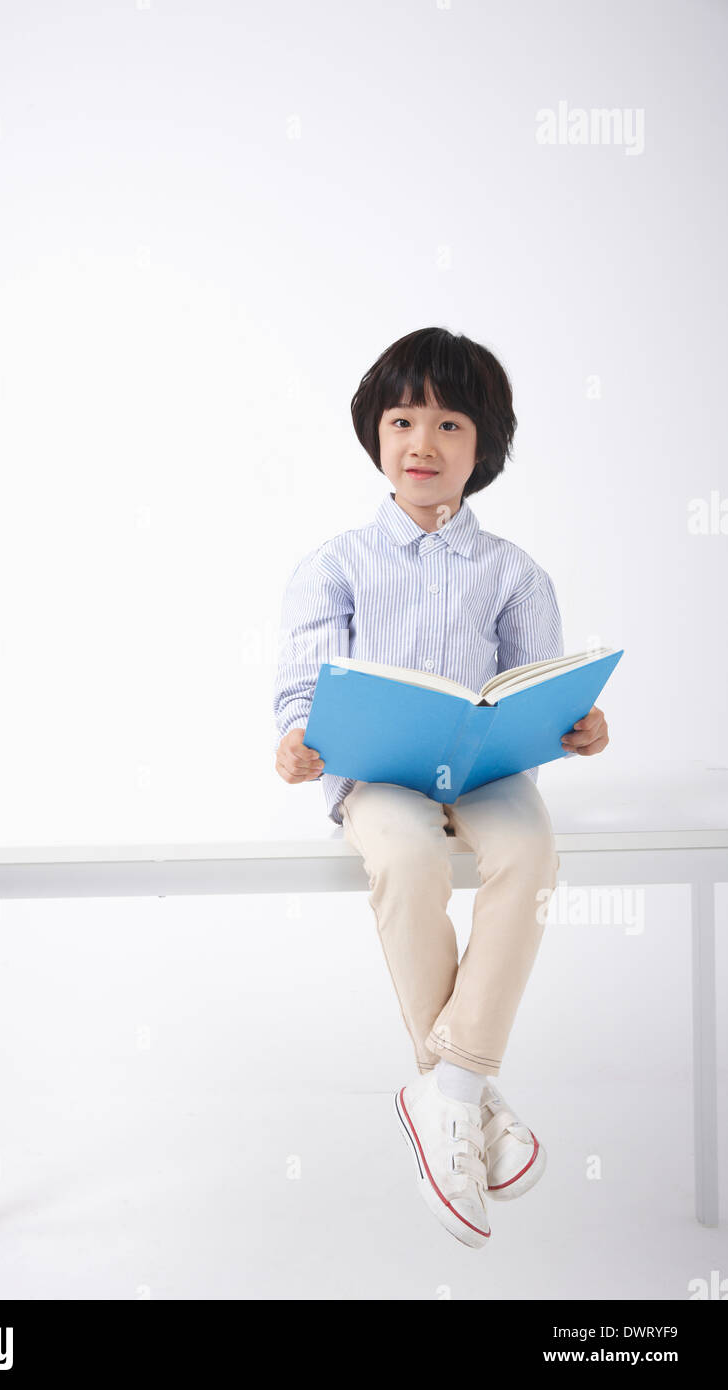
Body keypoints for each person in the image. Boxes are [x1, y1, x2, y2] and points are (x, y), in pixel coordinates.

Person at [272, 327, 610, 1249]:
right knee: (411, 857)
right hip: (379, 774)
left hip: (489, 770)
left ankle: (445, 1091)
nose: (423, 442)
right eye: (403, 419)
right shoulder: (335, 564)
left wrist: (580, 727)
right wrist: (297, 743)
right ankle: (462, 1092)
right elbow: (302, 687)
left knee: (530, 852)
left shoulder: (513, 574)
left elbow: (540, 687)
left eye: (450, 424)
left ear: (483, 449)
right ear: (375, 436)